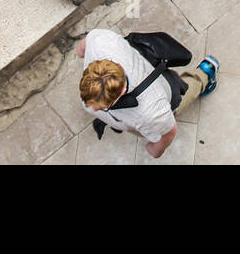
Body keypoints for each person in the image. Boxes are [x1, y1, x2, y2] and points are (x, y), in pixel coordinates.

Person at [77, 28, 219, 159]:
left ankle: (204, 74)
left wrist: (157, 149)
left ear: (122, 90)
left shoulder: (152, 112)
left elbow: (169, 131)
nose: (93, 109)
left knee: (182, 96)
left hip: (163, 91)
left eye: (104, 106)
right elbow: (83, 47)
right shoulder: (100, 41)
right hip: (140, 70)